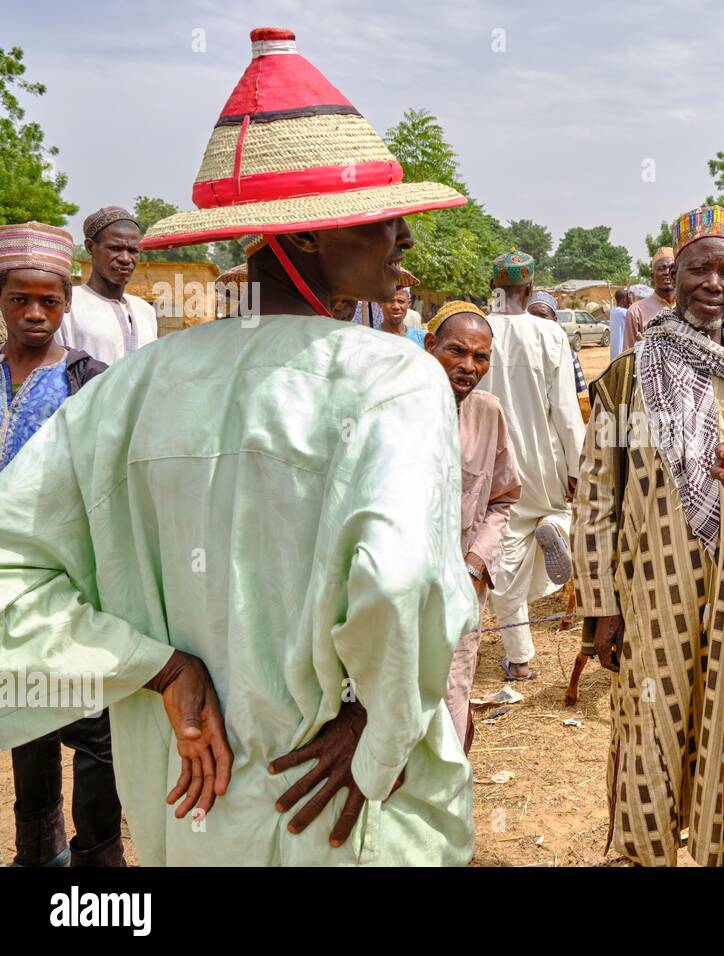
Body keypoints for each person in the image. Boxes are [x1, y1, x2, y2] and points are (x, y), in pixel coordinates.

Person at [0, 27, 479, 866]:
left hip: (191, 807)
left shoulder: (130, 390)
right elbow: (401, 581)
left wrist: (158, 669)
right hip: (335, 811)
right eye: (384, 221)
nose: (405, 242)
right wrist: (377, 729)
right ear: (303, 240)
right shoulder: (389, 380)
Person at [574, 204, 724, 866]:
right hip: (653, 598)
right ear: (672, 276)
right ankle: (639, 855)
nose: (714, 283)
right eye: (699, 269)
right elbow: (597, 497)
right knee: (647, 733)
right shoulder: (629, 376)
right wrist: (600, 606)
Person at [0, 222, 116, 867]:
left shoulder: (88, 380)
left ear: (67, 301)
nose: (35, 312)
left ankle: (99, 860)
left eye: (49, 299)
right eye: (20, 299)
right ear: (2, 298)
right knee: (27, 719)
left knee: (95, 725)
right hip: (3, 583)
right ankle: (35, 853)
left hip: (71, 580)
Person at [480, 250, 585, 681]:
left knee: (503, 557)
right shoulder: (550, 333)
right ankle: (557, 527)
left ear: (495, 289)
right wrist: (577, 466)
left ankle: (520, 659)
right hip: (544, 456)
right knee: (561, 510)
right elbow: (564, 409)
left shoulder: (477, 330)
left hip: (494, 461)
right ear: (528, 289)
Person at [425, 304, 521, 751]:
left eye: (480, 358)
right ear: (430, 347)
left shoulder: (488, 413)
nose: (468, 366)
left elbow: (503, 499)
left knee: (452, 696)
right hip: (400, 590)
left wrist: (476, 563)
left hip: (462, 591)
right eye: (456, 352)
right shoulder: (394, 409)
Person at [54, 207, 159, 364]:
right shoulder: (69, 305)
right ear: (90, 247)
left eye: (133, 250)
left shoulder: (145, 310)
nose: (125, 258)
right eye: (115, 248)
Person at [527, 290, 585, 393]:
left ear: (554, 319)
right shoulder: (519, 351)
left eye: (542, 315)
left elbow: (575, 393)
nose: (536, 321)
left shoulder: (568, 354)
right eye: (532, 316)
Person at [622, 246, 674, 351]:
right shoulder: (636, 312)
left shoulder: (688, 307)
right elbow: (629, 355)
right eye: (661, 268)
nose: (667, 272)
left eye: (671, 268)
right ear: (652, 276)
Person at [608, 287, 630, 360]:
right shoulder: (623, 312)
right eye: (627, 298)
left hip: (614, 349)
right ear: (624, 299)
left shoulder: (613, 310)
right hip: (621, 350)